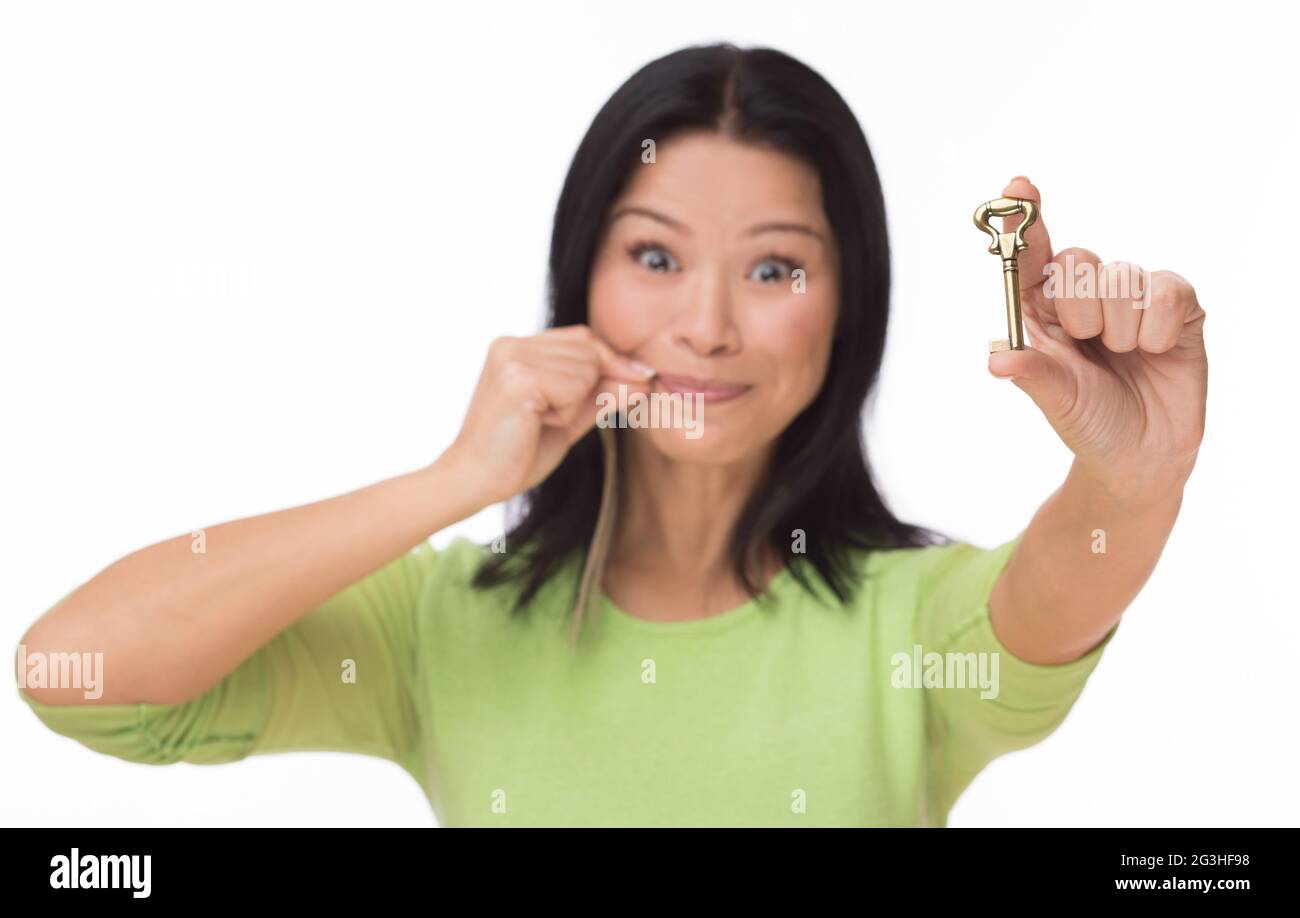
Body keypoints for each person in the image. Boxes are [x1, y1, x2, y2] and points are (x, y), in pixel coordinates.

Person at [15, 43, 1207, 827]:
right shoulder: (440, 623)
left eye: (776, 268)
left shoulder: (918, 625)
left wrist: (1135, 468)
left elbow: (1070, 573)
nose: (704, 327)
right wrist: (448, 481)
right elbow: (77, 678)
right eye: (654, 255)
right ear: (579, 277)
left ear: (849, 307)